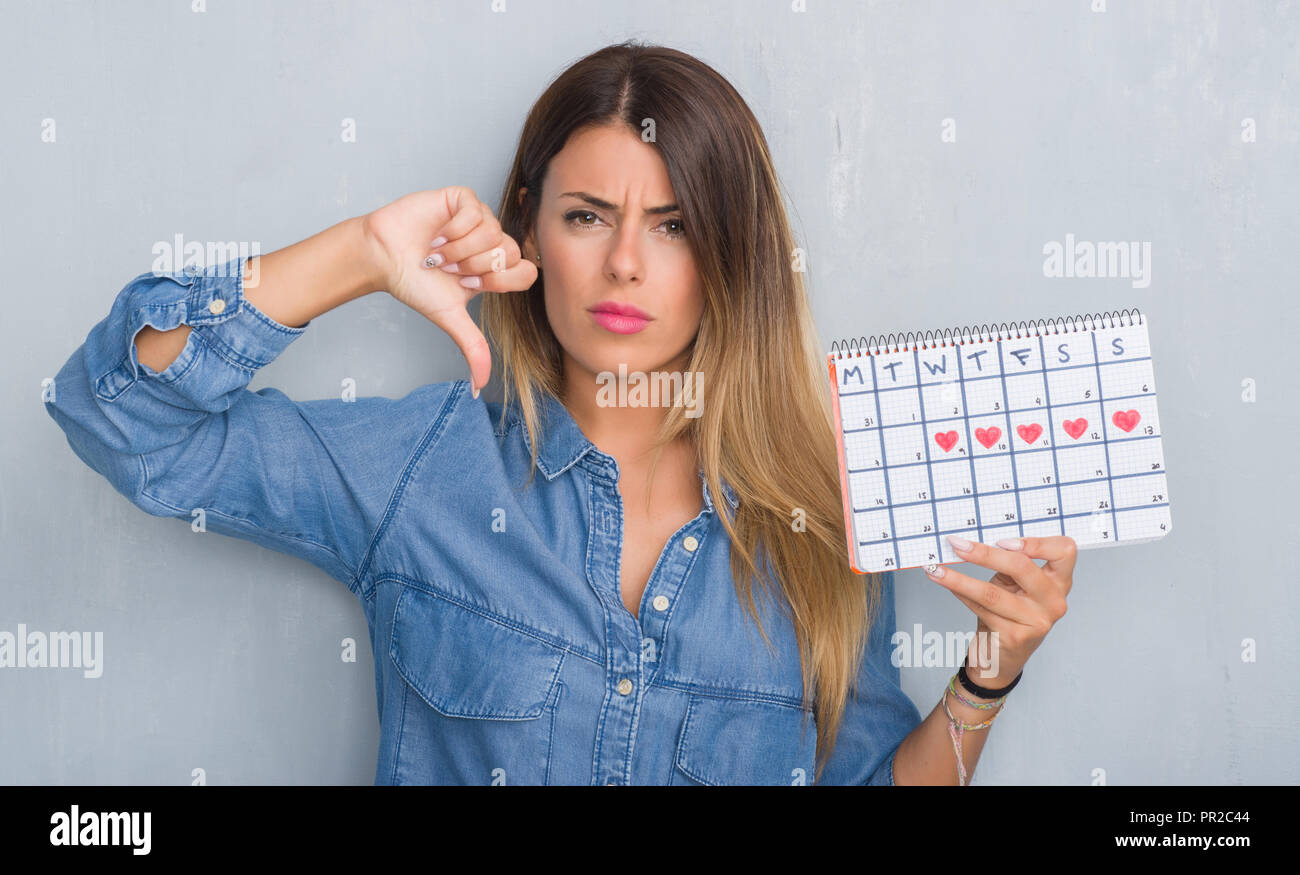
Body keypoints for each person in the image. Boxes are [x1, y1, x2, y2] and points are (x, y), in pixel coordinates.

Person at [44, 40, 1075, 785]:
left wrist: (986, 676)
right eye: (588, 216)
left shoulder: (822, 525)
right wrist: (357, 253)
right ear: (529, 221)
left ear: (731, 259)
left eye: (673, 226)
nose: (624, 261)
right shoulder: (425, 467)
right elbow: (119, 416)